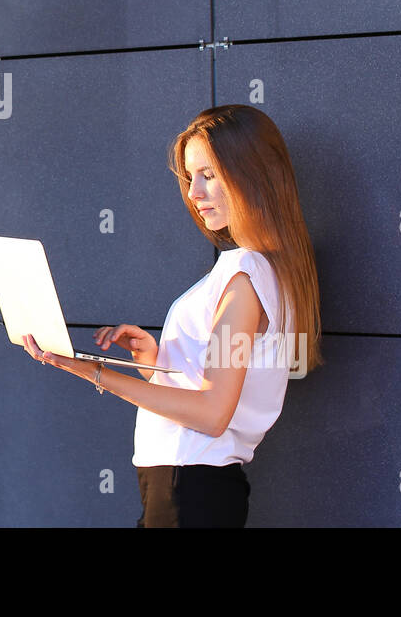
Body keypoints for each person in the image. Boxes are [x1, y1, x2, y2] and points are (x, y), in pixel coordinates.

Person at [23, 104, 322, 527]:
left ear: (252, 173)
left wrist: (92, 371)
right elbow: (225, 385)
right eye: (190, 177)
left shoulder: (245, 274)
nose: (194, 193)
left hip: (190, 488)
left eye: (208, 175)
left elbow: (213, 414)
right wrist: (157, 363)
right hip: (189, 487)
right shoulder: (265, 272)